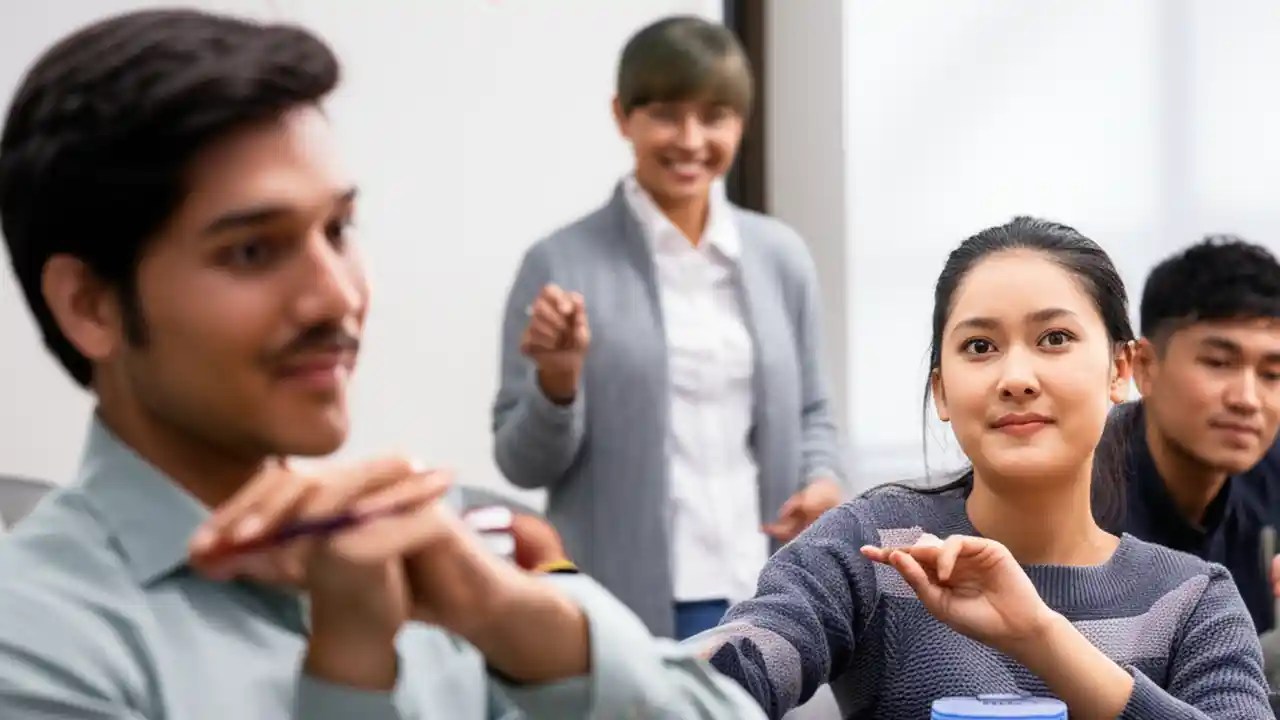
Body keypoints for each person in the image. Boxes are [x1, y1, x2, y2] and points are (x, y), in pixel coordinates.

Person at [0, 9, 766, 719]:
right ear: (90, 306)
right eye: (252, 251)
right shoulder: (32, 637)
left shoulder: (443, 562)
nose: (338, 298)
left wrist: (512, 615)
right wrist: (350, 675)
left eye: (338, 230)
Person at [691, 217, 1273, 719]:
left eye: (1054, 338)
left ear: (1120, 370)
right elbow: (721, 678)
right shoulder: (879, 548)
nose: (1015, 377)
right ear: (941, 392)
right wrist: (604, 647)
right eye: (979, 347)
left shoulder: (1194, 599)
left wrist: (1041, 637)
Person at [492, 15, 846, 640]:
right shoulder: (560, 264)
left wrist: (822, 481)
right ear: (621, 116)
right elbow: (521, 464)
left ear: (741, 121)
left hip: (767, 595)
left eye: (715, 116)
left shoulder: (780, 256)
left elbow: (814, 410)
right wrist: (558, 382)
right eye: (664, 114)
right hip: (620, 607)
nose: (690, 139)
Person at [1101, 238, 1280, 634]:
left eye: (1272, 374)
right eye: (1218, 363)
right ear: (1144, 367)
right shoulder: (1078, 499)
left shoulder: (1272, 471)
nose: (1247, 400)